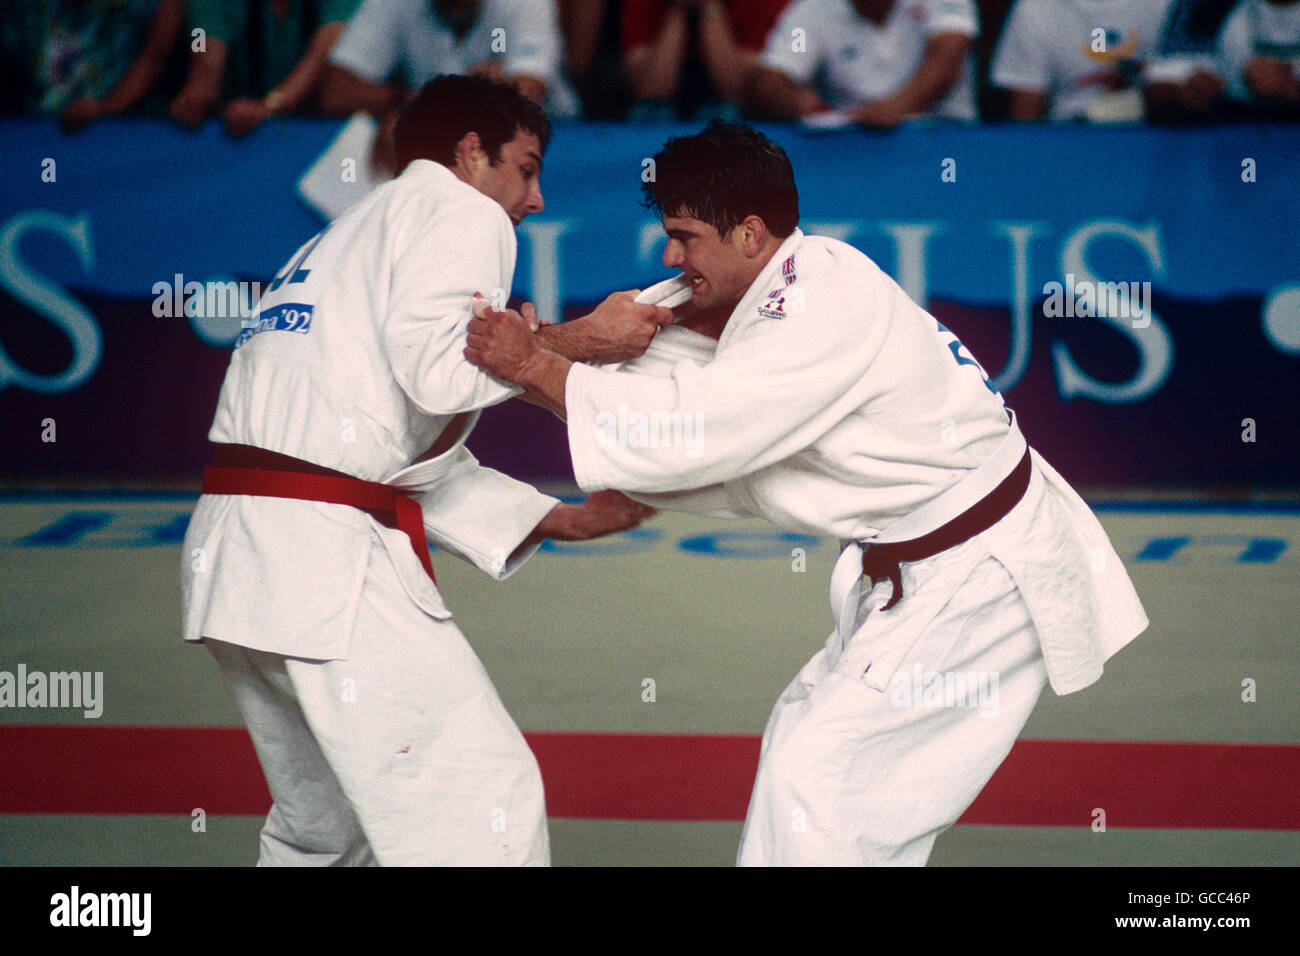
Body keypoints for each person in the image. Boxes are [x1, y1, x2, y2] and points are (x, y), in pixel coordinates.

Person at [463, 121, 1150, 866]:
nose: (669, 256)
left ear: (752, 235)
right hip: (923, 570)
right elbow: (642, 374)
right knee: (809, 757)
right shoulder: (746, 293)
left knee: (819, 785)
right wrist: (549, 351)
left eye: (685, 237)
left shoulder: (819, 298)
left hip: (977, 574)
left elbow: (694, 426)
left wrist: (536, 365)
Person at [181, 74, 670, 866]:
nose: (536, 198)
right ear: (471, 154)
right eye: (526, 166)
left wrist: (556, 517)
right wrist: (583, 340)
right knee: (481, 801)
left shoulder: (346, 233)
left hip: (238, 559)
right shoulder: (458, 208)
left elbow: (372, 440)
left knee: (324, 830)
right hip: (321, 567)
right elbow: (441, 378)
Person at [746, 0, 978, 126]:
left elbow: (948, 56)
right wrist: (793, 101)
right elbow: (775, 76)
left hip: (946, 134)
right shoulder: (813, 9)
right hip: (852, 144)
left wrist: (894, 109)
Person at [169, 0, 362, 136]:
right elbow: (204, 47)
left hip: (322, 133)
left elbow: (321, 55)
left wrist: (268, 106)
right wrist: (197, 94)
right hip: (240, 134)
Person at [991, 0, 1176, 121]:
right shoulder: (1035, 8)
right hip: (1065, 142)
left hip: (1152, 139)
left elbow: (1187, 88)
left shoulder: (1169, 5)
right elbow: (1024, 124)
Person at [1145, 0, 1300, 122]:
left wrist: (1292, 90)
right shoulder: (1201, 5)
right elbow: (1156, 91)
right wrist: (1184, 95)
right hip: (1224, 146)